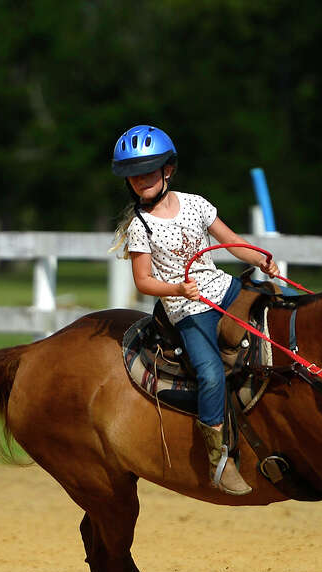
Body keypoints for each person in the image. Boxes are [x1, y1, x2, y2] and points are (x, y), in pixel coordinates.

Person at [111, 124, 278, 495]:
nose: (140, 180)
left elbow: (231, 243)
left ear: (167, 170)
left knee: (277, 318)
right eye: (133, 175)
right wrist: (176, 288)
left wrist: (262, 260)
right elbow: (143, 281)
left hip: (224, 288)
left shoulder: (196, 204)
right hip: (187, 308)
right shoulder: (141, 229)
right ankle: (221, 460)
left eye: (148, 170)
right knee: (211, 374)